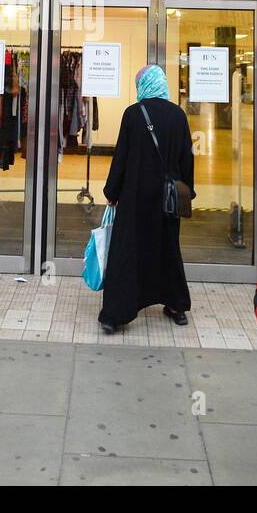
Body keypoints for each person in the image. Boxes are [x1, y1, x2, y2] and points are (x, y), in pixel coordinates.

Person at [100, 65, 194, 334]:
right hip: (167, 198)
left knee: (127, 251)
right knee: (167, 248)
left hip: (135, 196)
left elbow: (122, 158)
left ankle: (116, 314)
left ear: (143, 85)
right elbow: (187, 157)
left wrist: (112, 192)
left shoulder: (132, 114)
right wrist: (187, 190)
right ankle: (176, 307)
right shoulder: (178, 115)